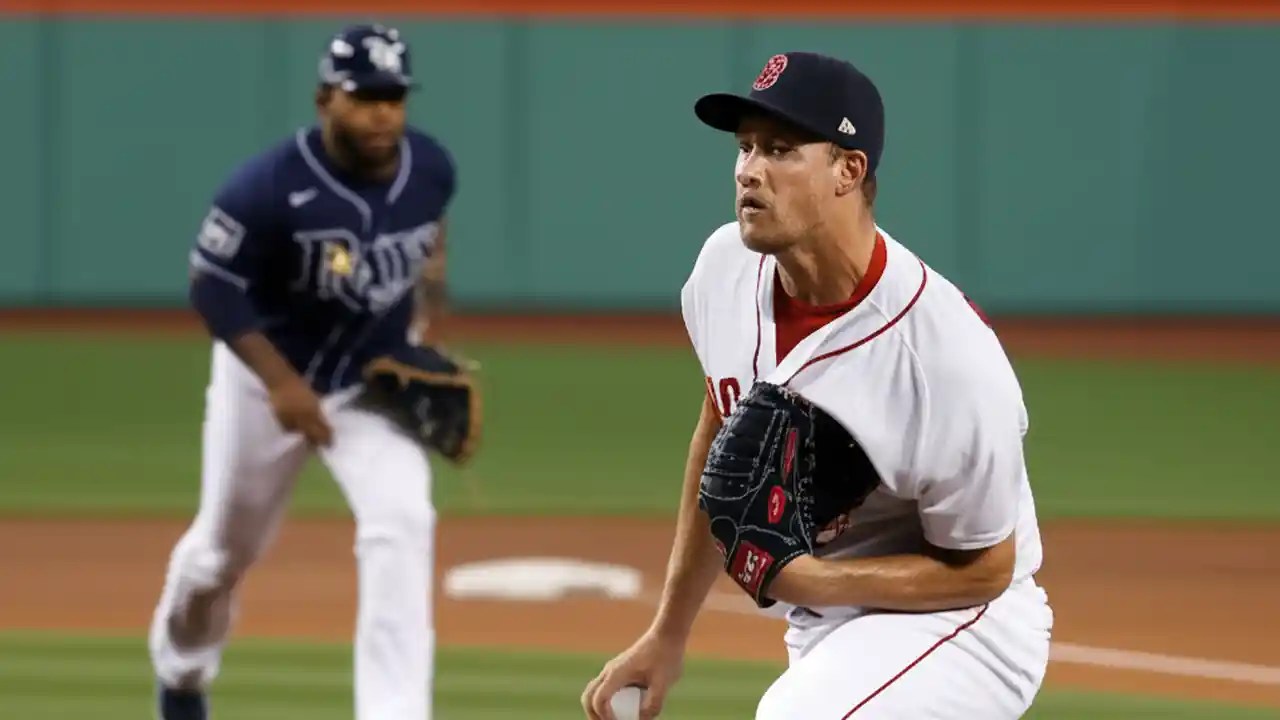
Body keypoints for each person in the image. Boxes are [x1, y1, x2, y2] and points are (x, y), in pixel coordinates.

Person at [581, 51, 1054, 719]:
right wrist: (668, 634)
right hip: (829, 622)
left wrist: (810, 579)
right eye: (744, 147)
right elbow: (723, 433)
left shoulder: (943, 358)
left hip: (968, 624)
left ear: (848, 170)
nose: (749, 169)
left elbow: (984, 569)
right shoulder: (724, 270)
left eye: (779, 149)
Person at [149, 23, 459, 720]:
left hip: (367, 385)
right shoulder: (266, 189)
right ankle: (182, 674)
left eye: (393, 96)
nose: (383, 112)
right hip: (264, 382)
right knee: (219, 557)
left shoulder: (431, 168)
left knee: (402, 520)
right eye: (365, 96)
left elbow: (431, 235)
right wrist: (282, 385)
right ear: (326, 98)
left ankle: (395, 711)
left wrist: (424, 323)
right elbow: (212, 286)